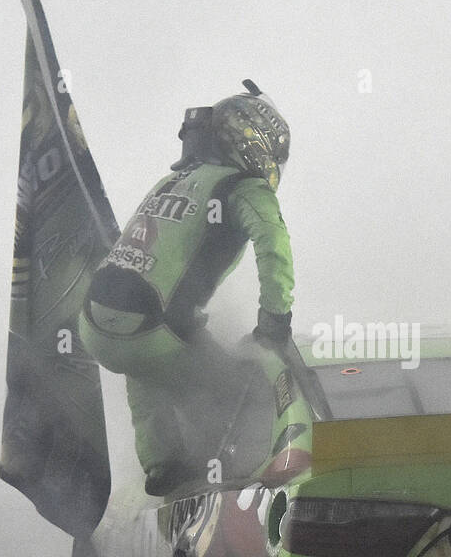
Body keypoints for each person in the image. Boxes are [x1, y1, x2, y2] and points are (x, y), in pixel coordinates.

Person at [79, 80, 294, 494]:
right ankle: (233, 478)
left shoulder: (171, 182)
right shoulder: (242, 187)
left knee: (143, 357)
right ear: (255, 143)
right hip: (151, 328)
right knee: (245, 394)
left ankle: (163, 463)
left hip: (95, 321)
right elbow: (274, 245)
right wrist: (274, 321)